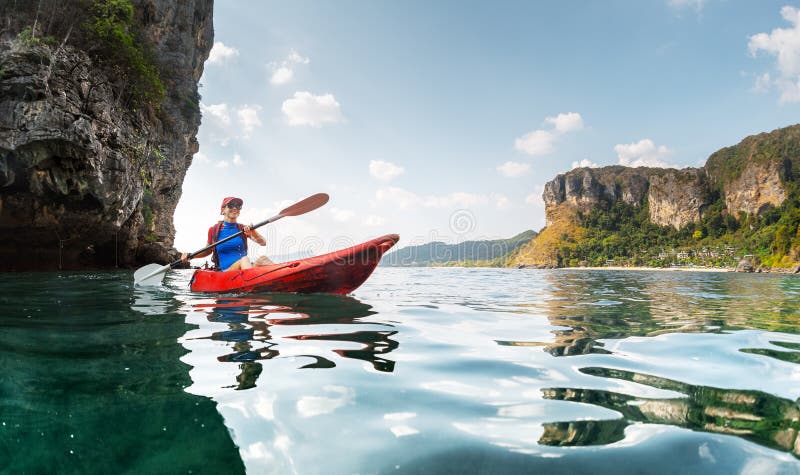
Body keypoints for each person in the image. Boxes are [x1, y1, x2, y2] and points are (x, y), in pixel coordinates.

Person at [181, 197, 273, 271]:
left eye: (238, 206)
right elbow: (207, 251)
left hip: (245, 268)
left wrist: (253, 232)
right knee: (244, 259)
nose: (235, 208)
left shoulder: (243, 229)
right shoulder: (213, 230)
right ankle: (251, 284)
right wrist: (190, 256)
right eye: (231, 205)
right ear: (223, 210)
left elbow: (263, 242)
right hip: (227, 271)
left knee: (263, 259)